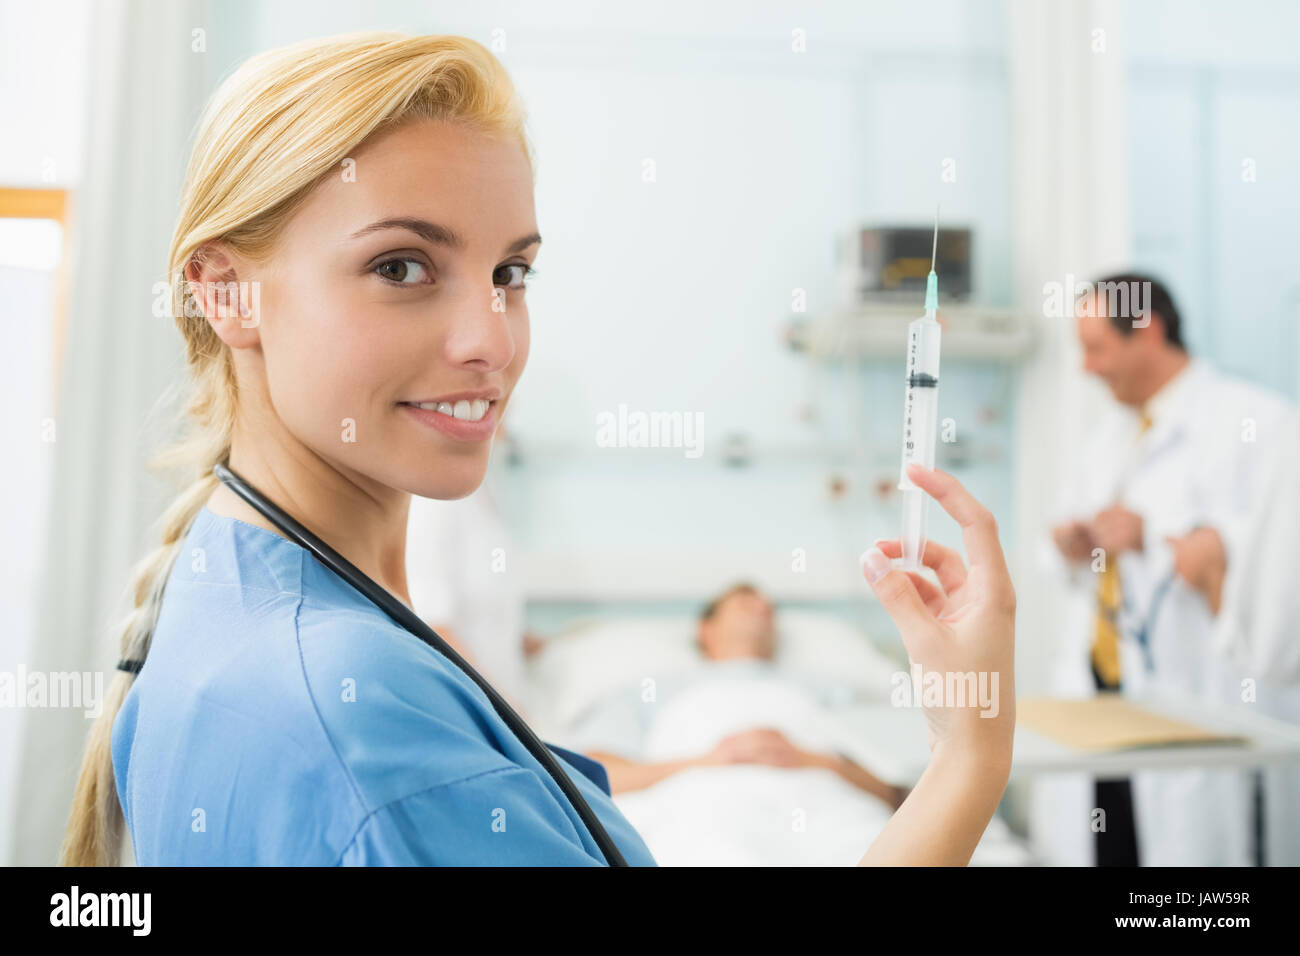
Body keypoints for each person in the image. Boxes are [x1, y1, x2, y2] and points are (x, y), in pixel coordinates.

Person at [59, 31, 1015, 867]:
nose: (494, 339)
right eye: (402, 266)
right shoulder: (363, 730)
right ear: (227, 292)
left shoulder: (242, 593)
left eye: (511, 272)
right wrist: (970, 757)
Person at [1035, 273, 1296, 866]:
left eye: (1096, 348)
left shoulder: (1257, 423)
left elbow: (1273, 563)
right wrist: (1074, 544)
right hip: (1105, 693)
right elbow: (1070, 545)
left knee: (1196, 868)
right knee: (1114, 849)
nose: (1086, 368)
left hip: (1203, 689)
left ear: (1147, 331)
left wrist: (1152, 538)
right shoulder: (1109, 436)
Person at [579, 583, 908, 809]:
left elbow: (895, 790)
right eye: (745, 602)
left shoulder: (830, 690)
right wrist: (708, 761)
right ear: (705, 629)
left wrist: (807, 760)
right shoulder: (647, 690)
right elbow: (593, 781)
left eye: (769, 608)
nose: (763, 609)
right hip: (695, 809)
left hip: (824, 809)